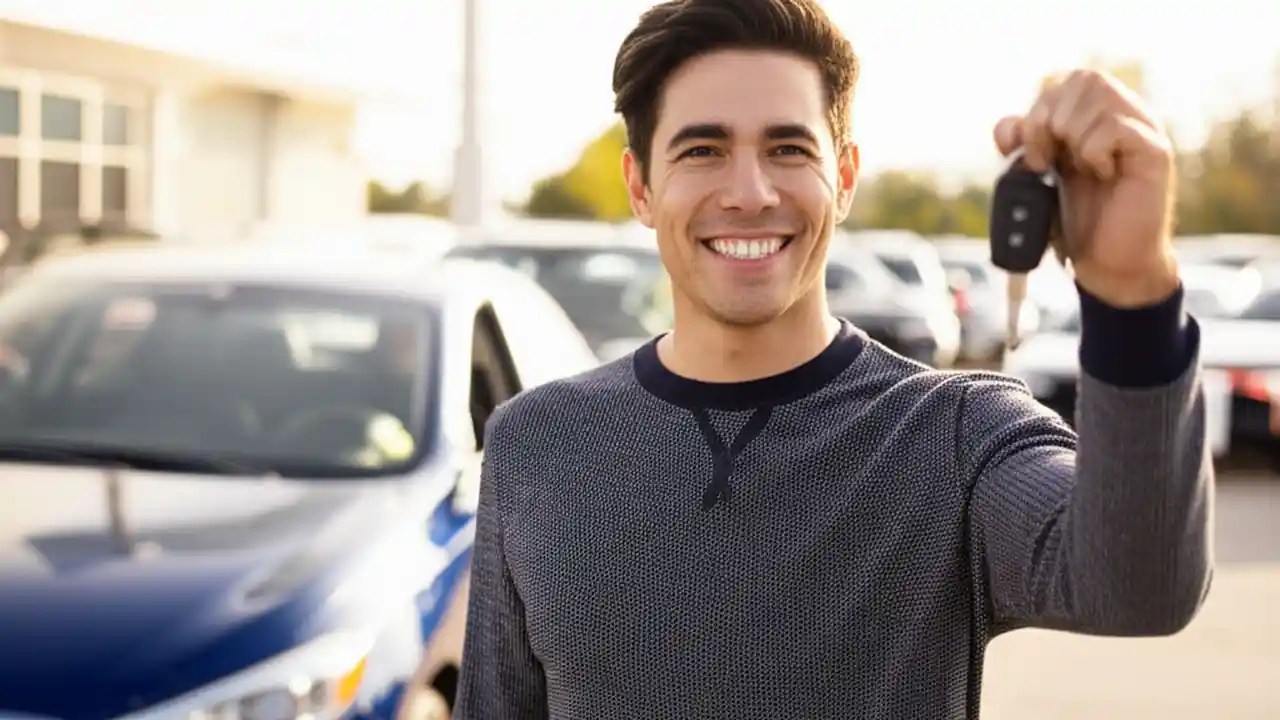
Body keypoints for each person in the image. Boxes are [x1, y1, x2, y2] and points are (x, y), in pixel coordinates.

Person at [454, 1, 1212, 717]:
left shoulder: (953, 437)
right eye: (702, 150)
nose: (749, 192)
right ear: (641, 187)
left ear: (843, 178)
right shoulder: (535, 442)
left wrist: (1132, 292)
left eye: (788, 149)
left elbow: (1141, 584)